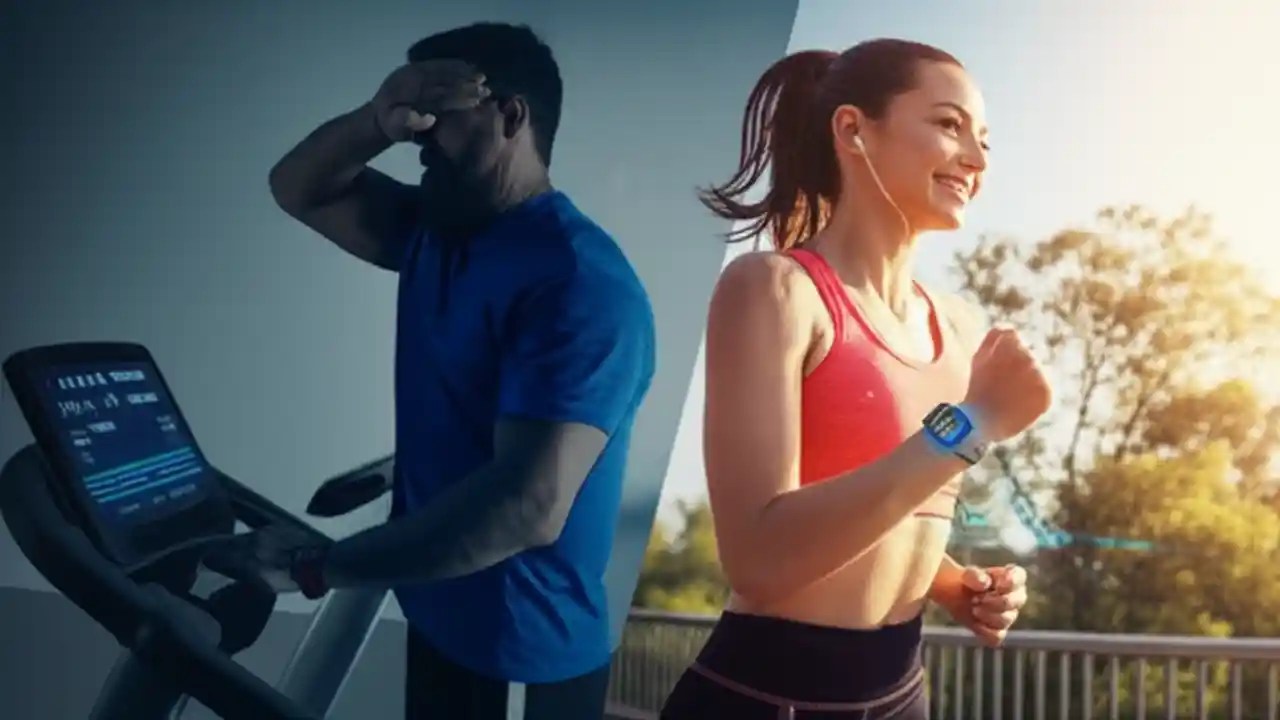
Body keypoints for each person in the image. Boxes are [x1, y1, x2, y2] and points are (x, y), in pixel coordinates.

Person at [261, 22, 656, 720]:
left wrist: (314, 567)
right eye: (410, 112)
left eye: (434, 112)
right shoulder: (439, 230)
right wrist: (373, 119)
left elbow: (525, 507)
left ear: (509, 116)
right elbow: (299, 188)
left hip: (517, 652)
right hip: (445, 614)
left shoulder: (578, 283)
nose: (416, 135)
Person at [659, 39, 1051, 719]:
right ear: (853, 130)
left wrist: (953, 582)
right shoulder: (775, 290)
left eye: (983, 139)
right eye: (949, 125)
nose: (978, 160)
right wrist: (974, 423)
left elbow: (881, 505)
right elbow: (759, 557)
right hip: (766, 696)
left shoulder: (959, 326)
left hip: (902, 693)